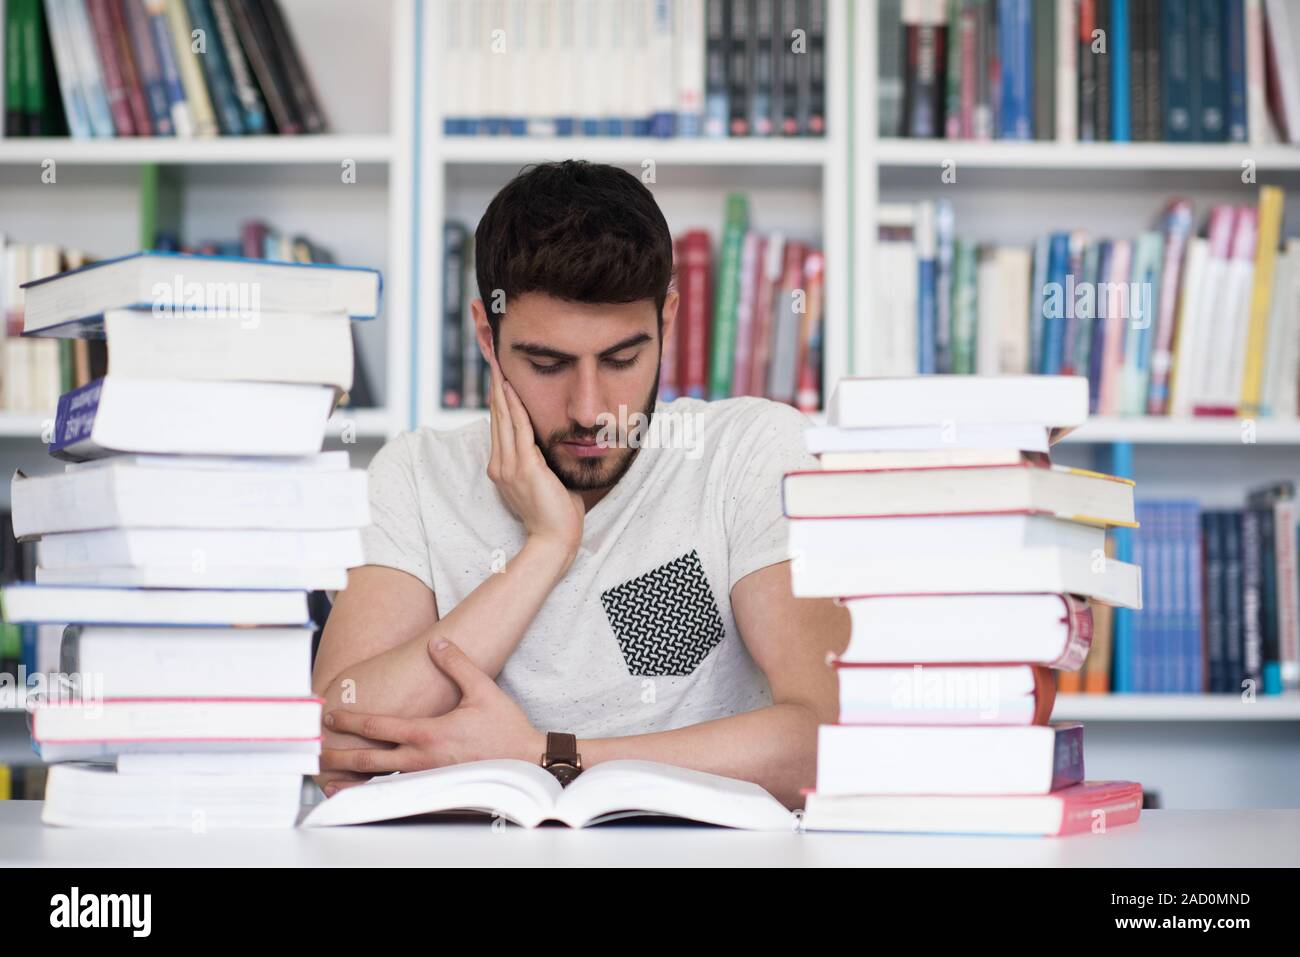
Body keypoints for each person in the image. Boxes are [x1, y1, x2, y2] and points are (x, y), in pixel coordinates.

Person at [312, 160, 848, 810]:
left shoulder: (748, 453)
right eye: (547, 363)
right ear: (488, 334)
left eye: (622, 359)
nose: (590, 409)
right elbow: (335, 734)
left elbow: (825, 739)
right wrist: (546, 547)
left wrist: (549, 755)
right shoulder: (416, 475)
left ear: (669, 322)